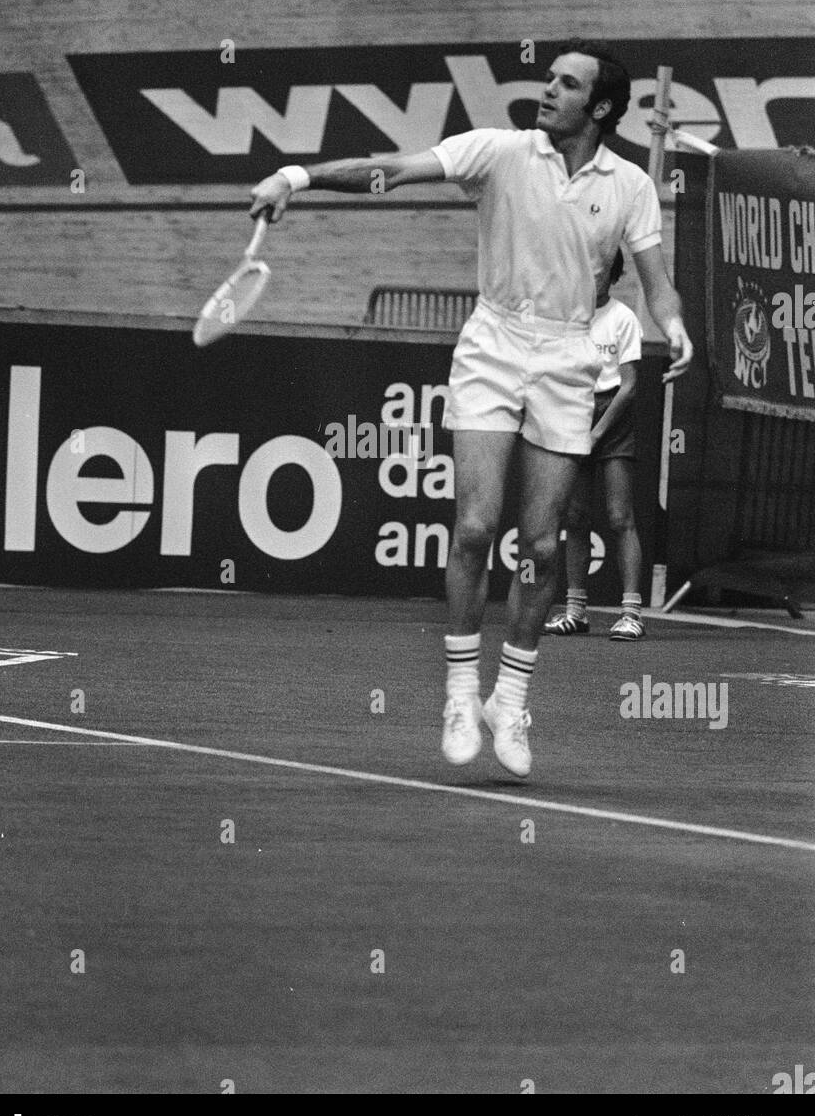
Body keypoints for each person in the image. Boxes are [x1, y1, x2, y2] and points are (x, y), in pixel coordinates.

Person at [249, 41, 693, 779]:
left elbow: (658, 281)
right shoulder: (498, 152)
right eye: (549, 78)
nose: (547, 90)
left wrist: (673, 326)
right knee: (477, 528)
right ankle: (461, 691)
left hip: (568, 355)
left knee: (545, 547)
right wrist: (297, 175)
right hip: (492, 345)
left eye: (566, 84)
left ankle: (509, 699)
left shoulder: (631, 186)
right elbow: (388, 171)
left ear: (603, 108)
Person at [544, 249, 646, 641]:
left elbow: (631, 385)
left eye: (602, 271)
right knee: (575, 519)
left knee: (621, 517)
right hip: (575, 415)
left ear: (613, 275)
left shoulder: (623, 319)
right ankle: (575, 612)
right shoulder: (570, 315)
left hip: (612, 421)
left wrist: (598, 432)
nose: (594, 276)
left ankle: (632, 614)